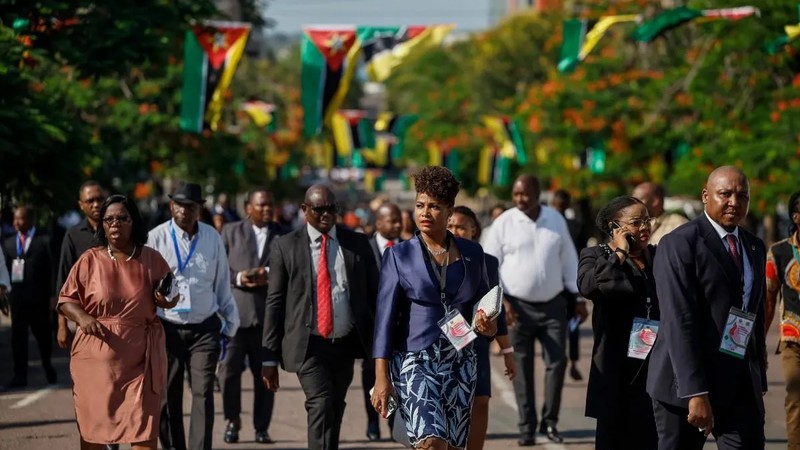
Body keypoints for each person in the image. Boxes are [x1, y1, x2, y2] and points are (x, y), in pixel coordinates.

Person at [371, 166, 498, 450]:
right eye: (420, 205)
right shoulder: (398, 255)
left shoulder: (473, 253)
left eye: (434, 207)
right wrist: (381, 378)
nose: (425, 213)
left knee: (453, 445)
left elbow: (485, 306)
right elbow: (384, 320)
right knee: (431, 442)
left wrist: (489, 325)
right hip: (415, 360)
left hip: (461, 359)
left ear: (449, 210)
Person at [647, 166, 767, 450]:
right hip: (684, 386)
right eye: (725, 194)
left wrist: (758, 373)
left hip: (737, 381)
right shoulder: (679, 244)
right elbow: (679, 320)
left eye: (742, 196)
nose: (734, 203)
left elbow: (755, 312)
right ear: (705, 196)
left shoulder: (754, 247)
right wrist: (695, 391)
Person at [261, 184, 378, 450]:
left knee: (335, 406)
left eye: (331, 209)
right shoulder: (285, 246)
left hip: (346, 342)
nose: (326, 214)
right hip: (309, 344)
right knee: (321, 403)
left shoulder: (357, 244)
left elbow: (375, 295)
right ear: (304, 210)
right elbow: (275, 301)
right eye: (319, 209)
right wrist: (268, 355)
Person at [58, 195, 179, 449]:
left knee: (144, 431)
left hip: (141, 361)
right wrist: (83, 317)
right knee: (94, 432)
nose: (115, 224)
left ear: (133, 221)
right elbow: (66, 299)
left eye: (122, 218)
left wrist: (164, 299)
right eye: (109, 219)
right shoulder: (90, 260)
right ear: (102, 225)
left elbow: (172, 294)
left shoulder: (151, 258)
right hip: (96, 362)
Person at [482, 174, 585, 446]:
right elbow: (490, 266)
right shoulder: (504, 223)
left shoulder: (555, 220)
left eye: (524, 194)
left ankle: (549, 422)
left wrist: (577, 296)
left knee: (557, 362)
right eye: (516, 194)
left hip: (553, 306)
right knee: (520, 367)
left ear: (538, 194)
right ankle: (526, 427)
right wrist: (502, 302)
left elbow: (568, 259)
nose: (519, 199)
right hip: (516, 308)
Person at [147, 182, 240, 450]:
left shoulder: (212, 237)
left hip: (204, 329)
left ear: (199, 209)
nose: (184, 210)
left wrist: (230, 321)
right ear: (171, 206)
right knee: (168, 398)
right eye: (179, 205)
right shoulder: (156, 238)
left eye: (190, 206)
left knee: (202, 393)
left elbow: (222, 282)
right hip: (168, 327)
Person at [577, 196, 659, 450]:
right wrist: (620, 253)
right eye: (636, 222)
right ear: (615, 227)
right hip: (615, 365)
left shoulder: (658, 256)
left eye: (647, 220)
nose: (644, 227)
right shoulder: (595, 255)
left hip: (653, 363)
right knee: (613, 440)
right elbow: (590, 286)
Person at [219, 187, 284, 445]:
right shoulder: (230, 232)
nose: (267, 209)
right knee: (228, 373)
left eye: (270, 204)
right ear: (248, 208)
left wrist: (269, 272)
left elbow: (291, 266)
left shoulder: (283, 234)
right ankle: (232, 421)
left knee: (266, 376)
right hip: (236, 316)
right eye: (261, 205)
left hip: (267, 320)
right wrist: (238, 277)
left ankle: (261, 427)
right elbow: (220, 266)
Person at [448, 205, 516, 450]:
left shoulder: (487, 261)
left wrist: (507, 352)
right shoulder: (433, 257)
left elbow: (493, 307)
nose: (455, 231)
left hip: (475, 343)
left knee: (480, 401)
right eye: (451, 226)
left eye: (461, 227)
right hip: (440, 343)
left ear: (473, 230)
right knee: (449, 406)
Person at [2, 206, 56, 390]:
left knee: (43, 336)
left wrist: (52, 296)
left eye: (22, 219)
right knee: (18, 338)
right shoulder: (9, 244)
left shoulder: (43, 241)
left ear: (31, 220)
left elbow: (52, 271)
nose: (17, 222)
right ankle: (20, 375)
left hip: (39, 299)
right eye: (15, 219)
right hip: (17, 299)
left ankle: (48, 367)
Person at [362, 201, 403, 441]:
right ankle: (372, 422)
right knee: (371, 376)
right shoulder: (364, 250)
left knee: (397, 377)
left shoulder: (408, 249)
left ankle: (393, 424)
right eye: (392, 220)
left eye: (399, 220)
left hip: (400, 329)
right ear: (379, 223)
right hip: (371, 328)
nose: (398, 225)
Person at [765, 190, 800, 447]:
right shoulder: (778, 252)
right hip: (793, 339)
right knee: (796, 397)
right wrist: (757, 346)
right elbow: (768, 299)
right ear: (796, 216)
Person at [56, 180, 106, 349]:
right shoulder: (73, 235)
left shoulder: (116, 230)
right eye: (90, 201)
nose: (96, 204)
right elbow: (63, 282)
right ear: (81, 205)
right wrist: (62, 326)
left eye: (100, 199)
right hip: (85, 318)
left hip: (118, 316)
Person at [550, 189, 588, 381]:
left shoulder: (550, 225)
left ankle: (565, 361)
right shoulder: (573, 225)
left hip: (560, 285)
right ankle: (568, 362)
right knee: (570, 326)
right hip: (563, 285)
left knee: (567, 325)